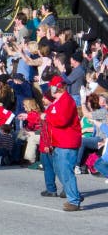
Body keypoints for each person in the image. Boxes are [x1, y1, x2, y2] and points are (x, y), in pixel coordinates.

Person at [44, 75, 83, 211]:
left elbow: (61, 120)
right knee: (59, 170)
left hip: (67, 142)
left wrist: (47, 116)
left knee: (66, 172)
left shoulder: (66, 100)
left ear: (57, 88)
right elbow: (49, 116)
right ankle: (74, 194)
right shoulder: (58, 101)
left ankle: (74, 200)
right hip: (59, 142)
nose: (50, 90)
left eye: (52, 87)